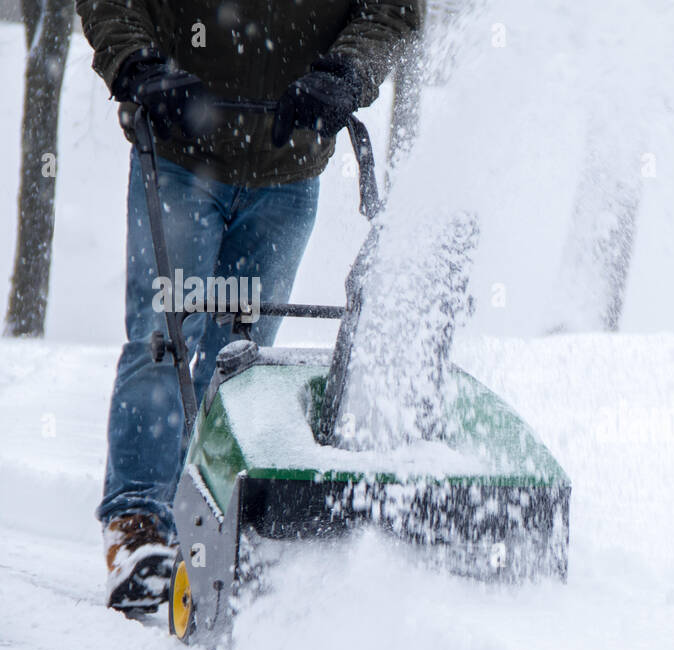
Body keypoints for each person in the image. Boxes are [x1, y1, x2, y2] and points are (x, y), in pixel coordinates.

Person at [75, 1, 422, 612]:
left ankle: (215, 531)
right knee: (163, 339)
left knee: (243, 361)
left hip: (289, 164)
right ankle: (138, 528)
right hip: (180, 151)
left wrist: (345, 72)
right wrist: (139, 65)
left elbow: (391, 10)